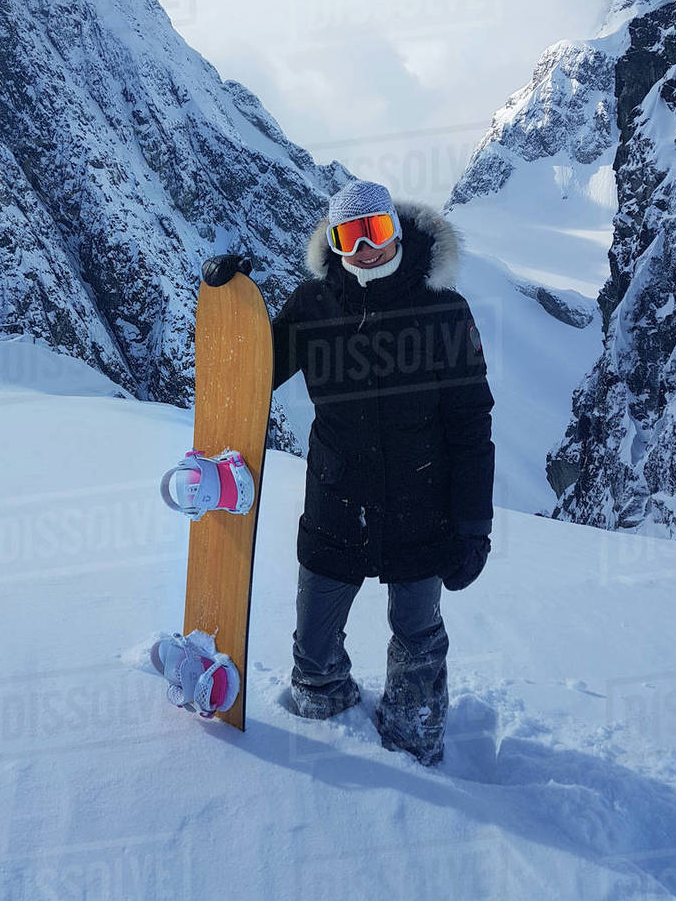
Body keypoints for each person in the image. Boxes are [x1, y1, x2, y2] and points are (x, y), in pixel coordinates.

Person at [202, 180, 495, 767]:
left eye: (376, 232)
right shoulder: (314, 307)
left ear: (396, 230)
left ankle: (415, 745)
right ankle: (326, 723)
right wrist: (229, 302)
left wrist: (473, 526)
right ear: (333, 243)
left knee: (417, 644)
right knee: (312, 657)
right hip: (335, 503)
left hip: (421, 507)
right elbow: (254, 372)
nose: (365, 249)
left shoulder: (443, 310)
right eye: (349, 237)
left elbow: (470, 425)